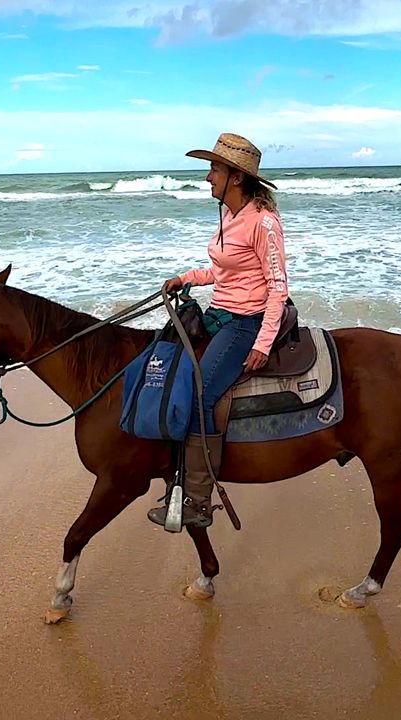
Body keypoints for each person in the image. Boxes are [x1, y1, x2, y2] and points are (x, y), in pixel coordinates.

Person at [147, 132, 289, 529]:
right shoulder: (230, 215)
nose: (208, 177)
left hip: (247, 322)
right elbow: (224, 270)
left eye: (214, 169)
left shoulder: (264, 222)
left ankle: (197, 502)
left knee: (199, 395)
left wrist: (262, 342)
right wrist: (186, 277)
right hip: (220, 313)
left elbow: (278, 286)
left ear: (236, 177)